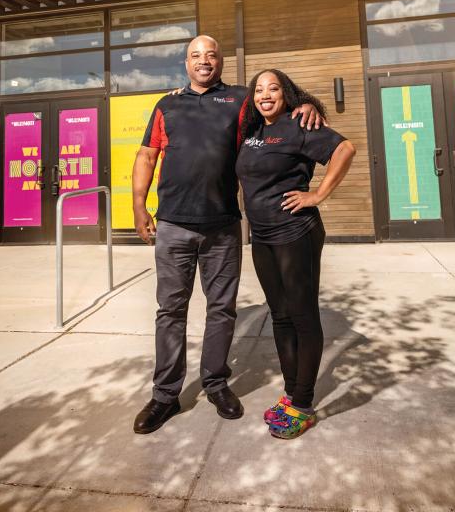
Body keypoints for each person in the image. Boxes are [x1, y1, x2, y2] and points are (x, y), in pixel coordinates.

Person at [132, 36, 324, 434]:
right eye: (196, 56)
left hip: (221, 224)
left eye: (211, 55)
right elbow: (147, 154)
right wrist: (138, 206)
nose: (204, 61)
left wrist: (308, 105)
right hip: (172, 223)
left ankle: (216, 383)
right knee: (171, 310)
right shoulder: (166, 104)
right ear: (186, 63)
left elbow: (277, 108)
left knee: (221, 310)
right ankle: (165, 395)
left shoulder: (239, 100)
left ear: (220, 62)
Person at [236, 69, 355, 440]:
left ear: (286, 94)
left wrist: (317, 195)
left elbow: (344, 149)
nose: (265, 95)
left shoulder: (299, 123)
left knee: (302, 316)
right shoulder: (252, 131)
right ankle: (292, 394)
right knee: (280, 315)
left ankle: (304, 404)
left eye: (273, 89)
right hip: (263, 237)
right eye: (259, 90)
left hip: (295, 233)